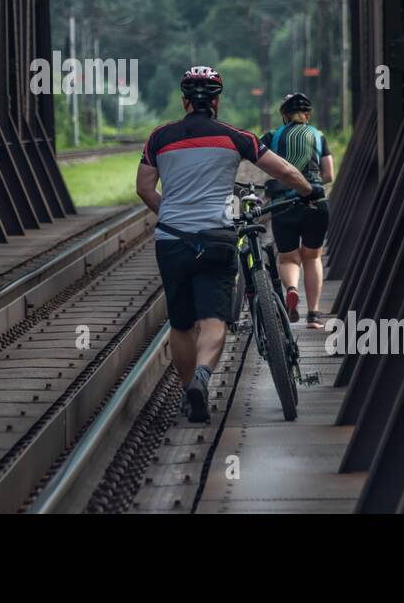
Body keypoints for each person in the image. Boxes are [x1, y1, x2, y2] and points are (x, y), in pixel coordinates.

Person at [135, 67, 322, 422]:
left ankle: (190, 388)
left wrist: (170, 213)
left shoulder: (159, 138)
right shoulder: (236, 137)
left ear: (184, 101)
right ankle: (203, 378)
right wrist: (308, 191)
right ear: (217, 102)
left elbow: (144, 187)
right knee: (214, 318)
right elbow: (283, 170)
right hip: (218, 238)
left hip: (172, 241)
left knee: (181, 323)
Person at [262, 93, 334, 328]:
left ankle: (292, 289)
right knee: (313, 256)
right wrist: (310, 187)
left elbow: (254, 155)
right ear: (308, 114)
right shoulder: (319, 136)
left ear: (284, 115)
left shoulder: (272, 136)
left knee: (289, 258)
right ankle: (313, 315)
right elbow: (328, 175)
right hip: (315, 204)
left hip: (284, 204)